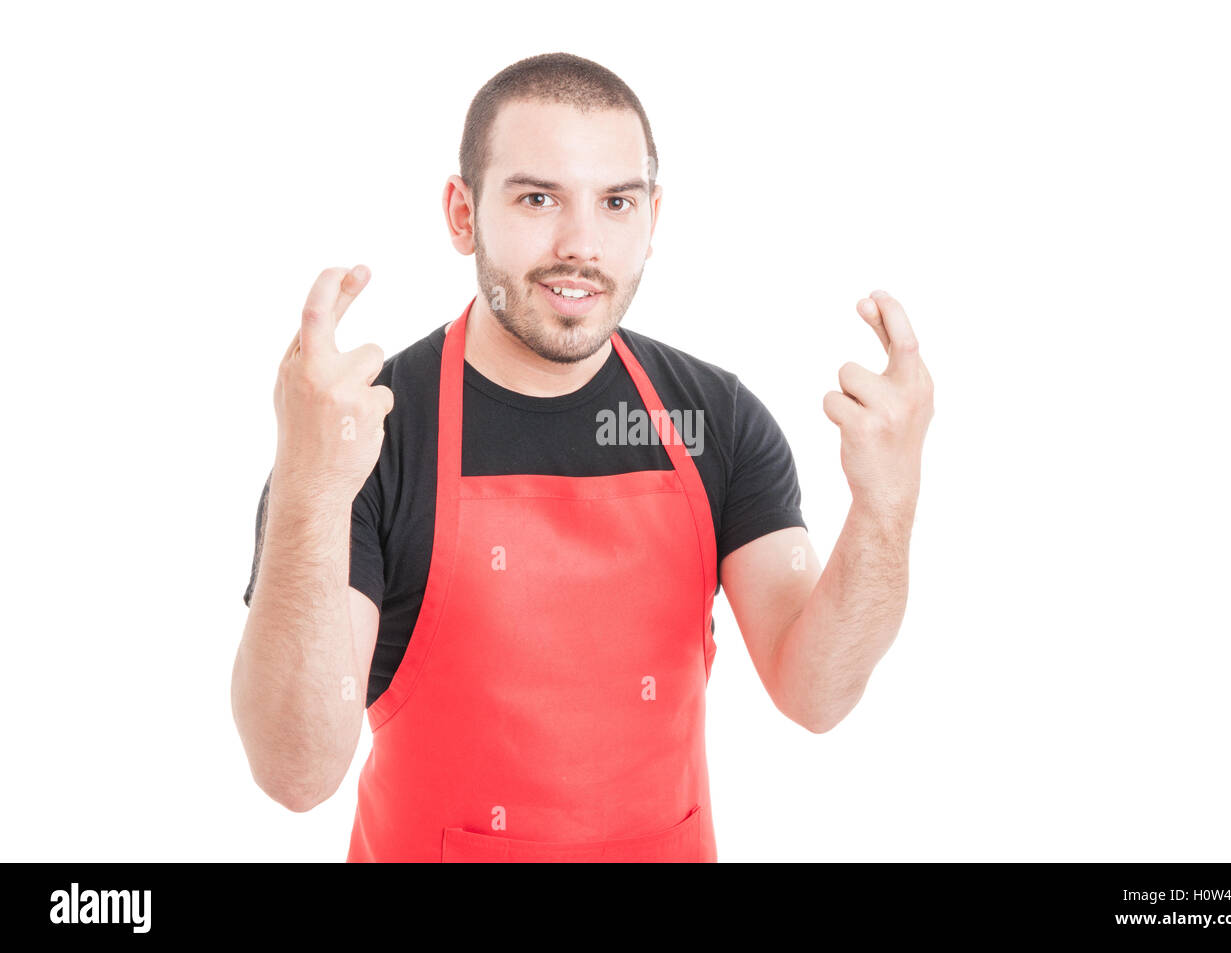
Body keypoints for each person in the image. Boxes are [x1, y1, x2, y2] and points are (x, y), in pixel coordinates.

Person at [230, 51, 934, 863]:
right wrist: (312, 490)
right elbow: (295, 771)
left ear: (653, 218)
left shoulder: (714, 418)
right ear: (462, 214)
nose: (581, 244)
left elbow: (817, 691)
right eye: (538, 198)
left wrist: (888, 504)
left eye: (616, 202)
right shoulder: (365, 431)